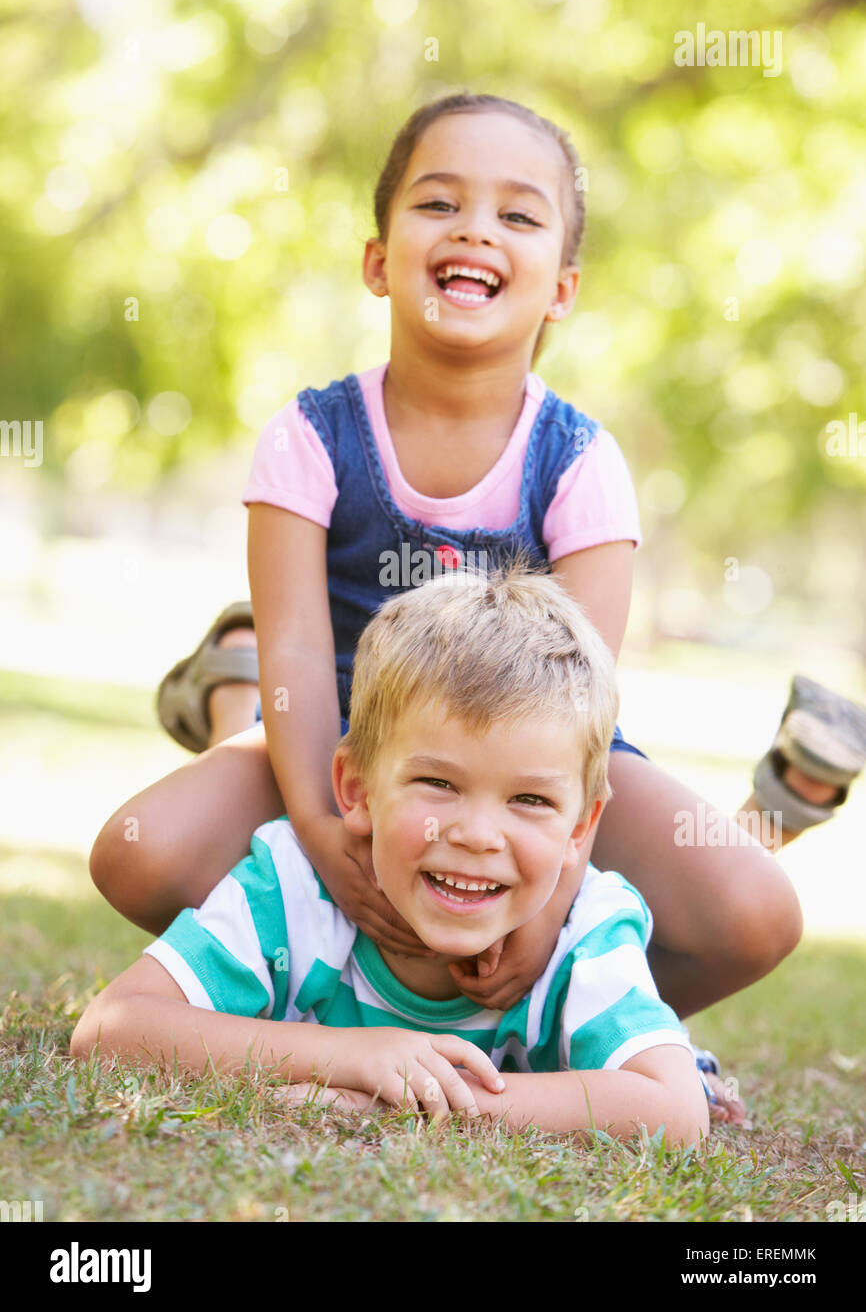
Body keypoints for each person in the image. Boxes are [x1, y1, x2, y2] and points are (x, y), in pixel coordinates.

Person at [89, 91, 866, 1118]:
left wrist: (539, 924)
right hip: (341, 734)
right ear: (376, 260)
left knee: (753, 913)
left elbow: (585, 708)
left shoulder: (579, 461)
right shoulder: (311, 438)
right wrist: (326, 837)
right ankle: (232, 700)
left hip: (535, 757)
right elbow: (298, 658)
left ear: (562, 287)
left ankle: (589, 1023)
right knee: (136, 855)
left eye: (516, 214)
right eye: (438, 203)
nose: (472, 230)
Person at [72, 563, 711, 1146]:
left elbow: (675, 1110)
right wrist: (356, 1056)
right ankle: (234, 694)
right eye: (439, 784)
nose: (478, 836)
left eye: (530, 800)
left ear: (582, 827)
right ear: (356, 791)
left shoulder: (587, 929)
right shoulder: (295, 888)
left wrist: (414, 1097)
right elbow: (112, 1029)